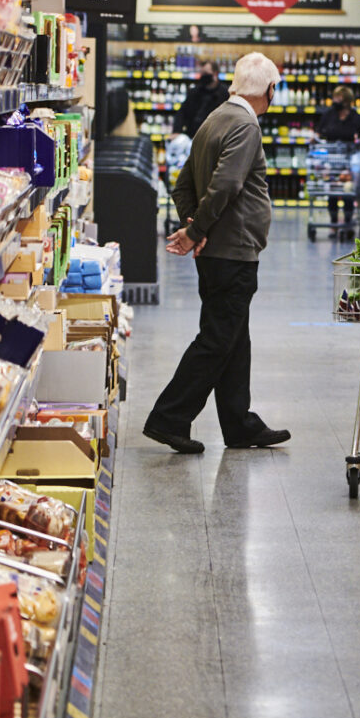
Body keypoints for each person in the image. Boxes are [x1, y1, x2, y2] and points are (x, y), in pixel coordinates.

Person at [143, 52, 291, 454]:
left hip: (219, 251)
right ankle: (168, 418)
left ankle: (240, 424)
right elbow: (226, 185)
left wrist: (194, 224)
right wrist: (196, 231)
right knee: (217, 339)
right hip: (233, 251)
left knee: (234, 338)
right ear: (270, 90)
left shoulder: (213, 119)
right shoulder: (246, 125)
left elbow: (182, 185)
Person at [316, 85, 360, 227]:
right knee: (332, 191)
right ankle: (333, 223)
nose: (334, 101)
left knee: (348, 191)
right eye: (334, 97)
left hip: (349, 160)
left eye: (338, 98)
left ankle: (348, 223)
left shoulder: (356, 117)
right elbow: (318, 133)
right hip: (331, 160)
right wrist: (315, 138)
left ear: (346, 101)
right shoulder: (328, 115)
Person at [172, 61, 226, 138]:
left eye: (206, 73)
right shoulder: (194, 92)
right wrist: (176, 131)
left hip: (215, 137)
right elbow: (182, 113)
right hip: (193, 135)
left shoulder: (225, 93)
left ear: (215, 74)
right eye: (202, 73)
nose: (203, 76)